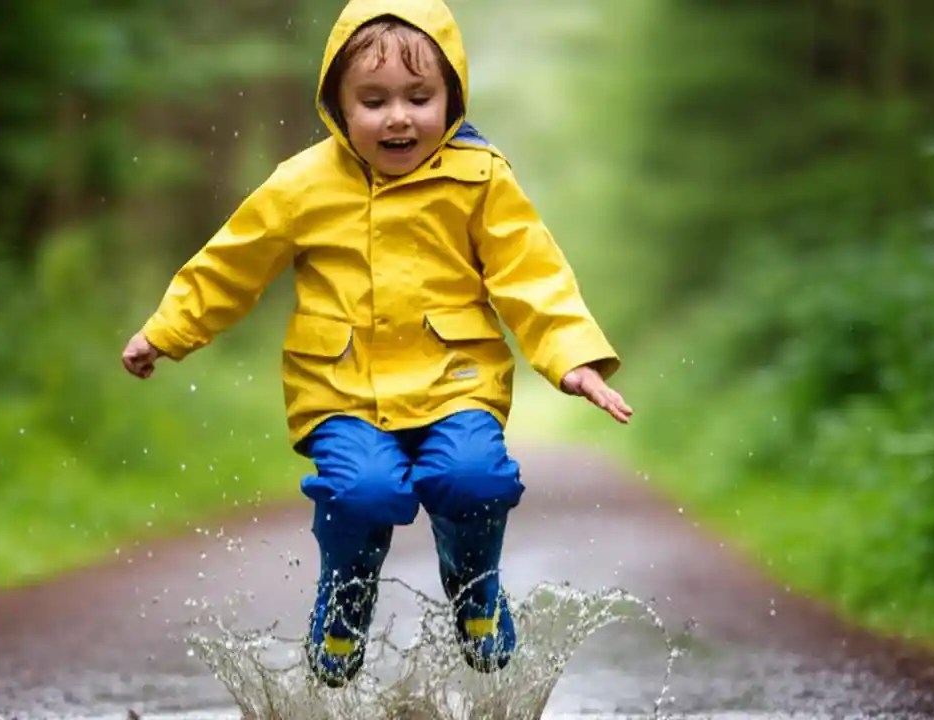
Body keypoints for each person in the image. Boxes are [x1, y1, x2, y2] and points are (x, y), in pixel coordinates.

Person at [121, 0, 633, 688]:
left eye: (419, 97)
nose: (398, 116)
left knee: (474, 478)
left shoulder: (480, 179)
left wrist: (572, 360)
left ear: (451, 96)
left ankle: (475, 588)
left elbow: (531, 274)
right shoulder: (302, 183)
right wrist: (167, 330)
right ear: (337, 105)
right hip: (340, 390)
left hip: (457, 383)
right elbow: (232, 263)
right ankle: (344, 602)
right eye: (374, 100)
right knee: (361, 492)